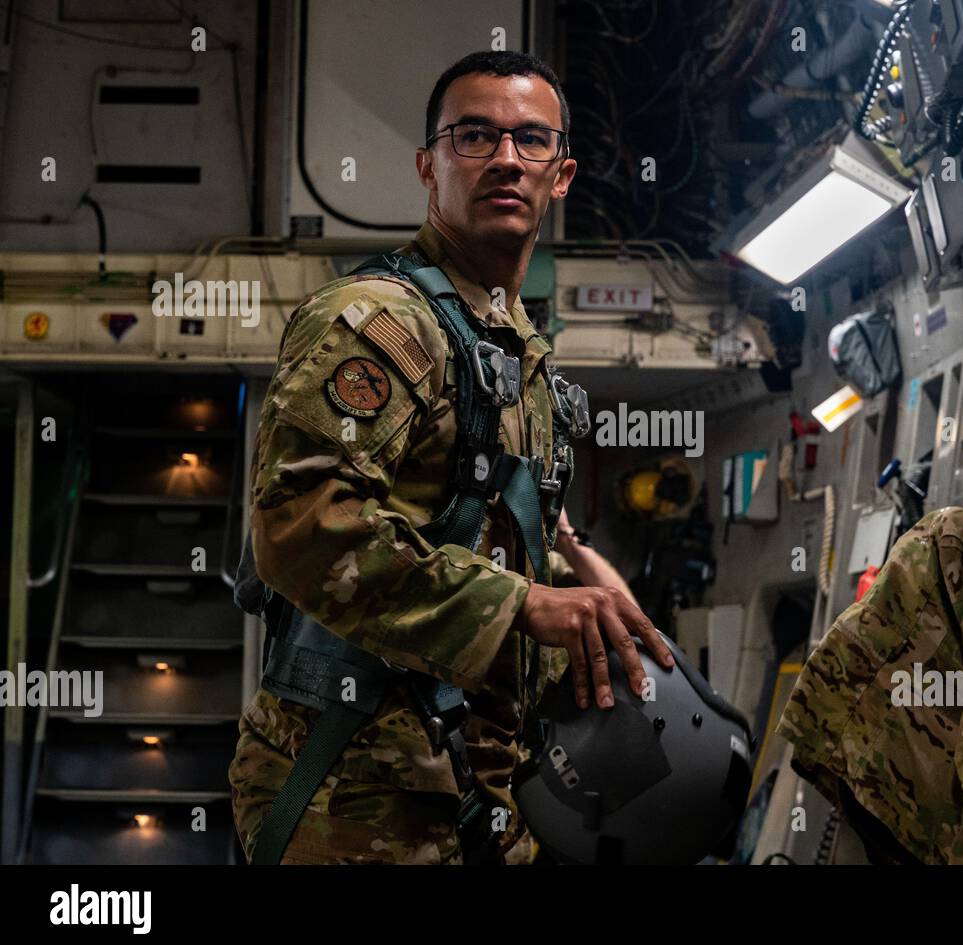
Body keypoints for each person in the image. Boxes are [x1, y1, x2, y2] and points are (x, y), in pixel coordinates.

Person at [229, 49, 672, 865]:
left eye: (530, 140)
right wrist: (520, 606)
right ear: (428, 166)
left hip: (486, 792)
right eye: (475, 136)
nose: (505, 158)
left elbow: (495, 537)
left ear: (562, 173)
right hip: (358, 796)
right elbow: (303, 527)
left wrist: (581, 584)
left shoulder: (513, 348)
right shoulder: (376, 321)